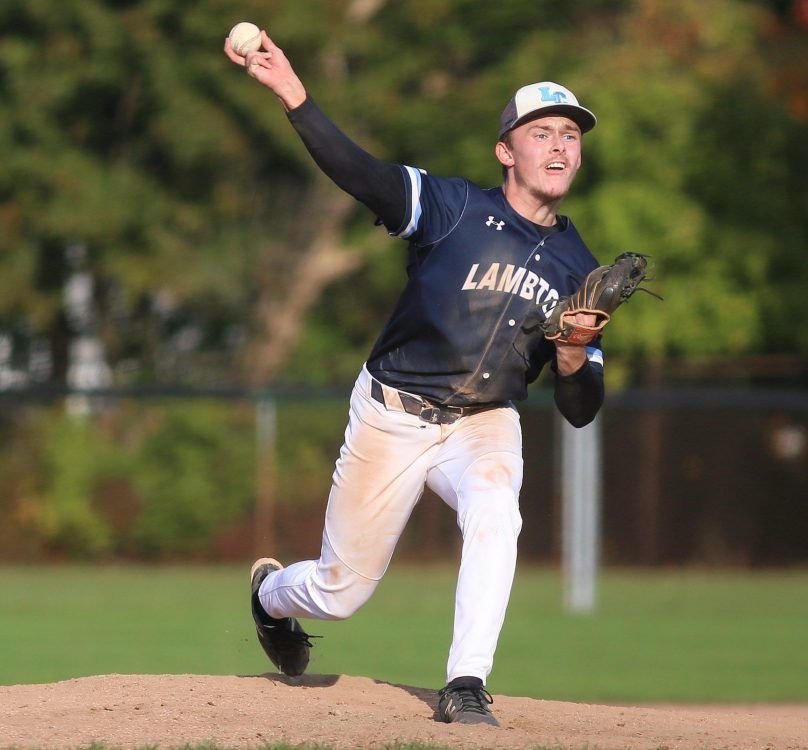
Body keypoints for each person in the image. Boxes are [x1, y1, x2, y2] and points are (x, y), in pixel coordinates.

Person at [225, 30, 606, 727]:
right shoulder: (452, 207)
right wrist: (293, 96)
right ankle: (271, 596)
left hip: (484, 421)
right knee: (341, 593)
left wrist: (577, 355)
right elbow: (362, 173)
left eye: (570, 136)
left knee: (497, 509)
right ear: (506, 151)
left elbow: (581, 409)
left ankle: (466, 682)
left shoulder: (580, 268)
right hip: (393, 414)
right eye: (542, 132)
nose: (559, 146)